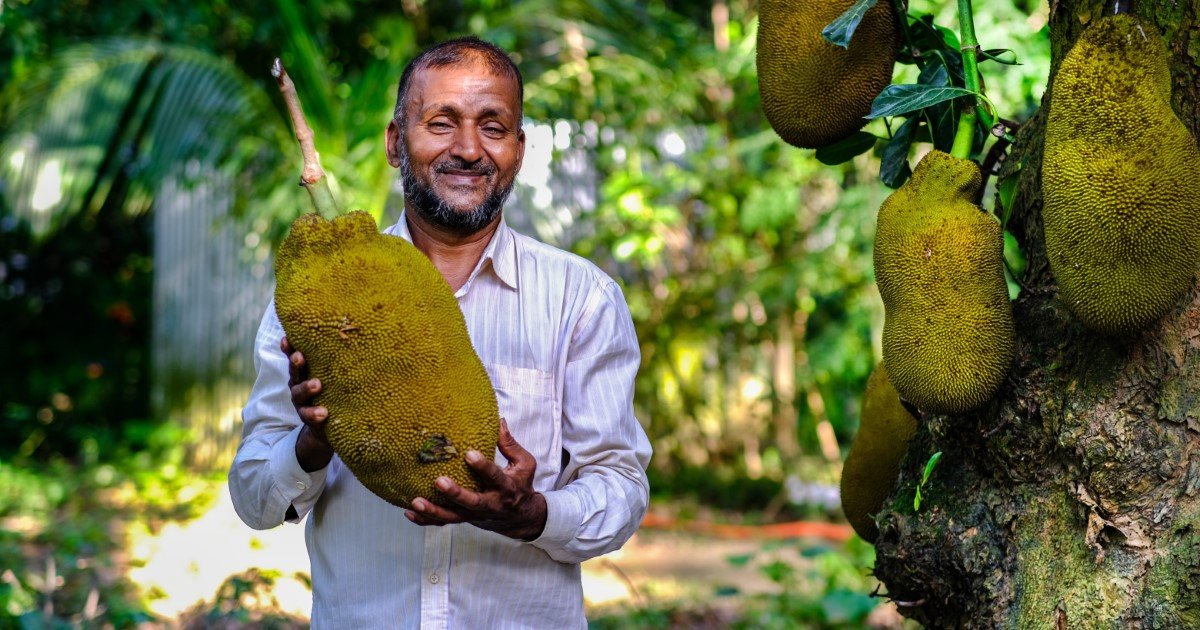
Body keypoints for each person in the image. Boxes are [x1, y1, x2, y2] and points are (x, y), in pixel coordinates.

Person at [228, 36, 652, 629]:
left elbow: (622, 490)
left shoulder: (580, 300)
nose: (469, 148)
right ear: (395, 142)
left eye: (494, 127)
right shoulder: (310, 304)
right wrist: (311, 442)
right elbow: (252, 499)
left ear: (519, 149)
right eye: (441, 123)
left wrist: (533, 514)